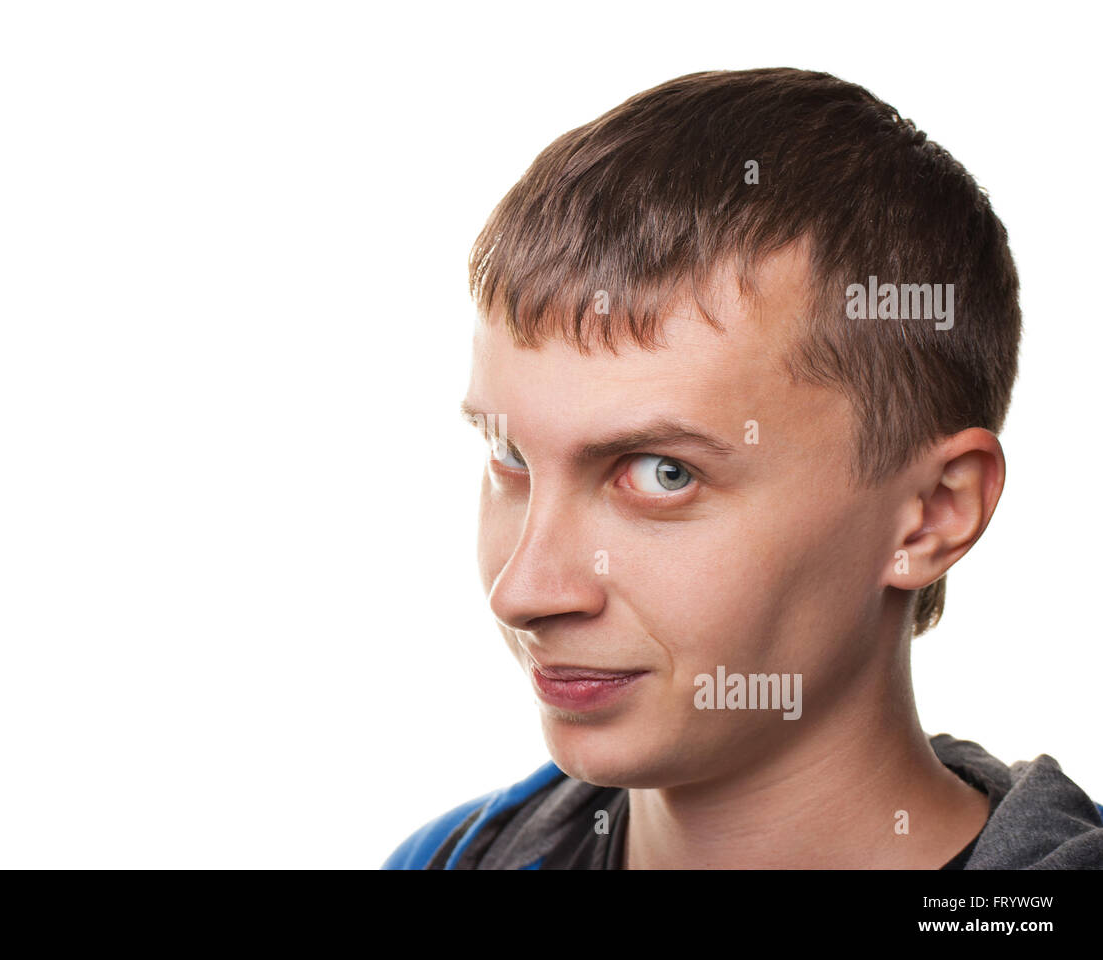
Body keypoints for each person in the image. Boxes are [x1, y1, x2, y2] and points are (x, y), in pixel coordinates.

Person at [383, 67, 1103, 869]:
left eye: (662, 473)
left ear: (933, 511)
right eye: (512, 456)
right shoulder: (444, 858)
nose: (522, 592)